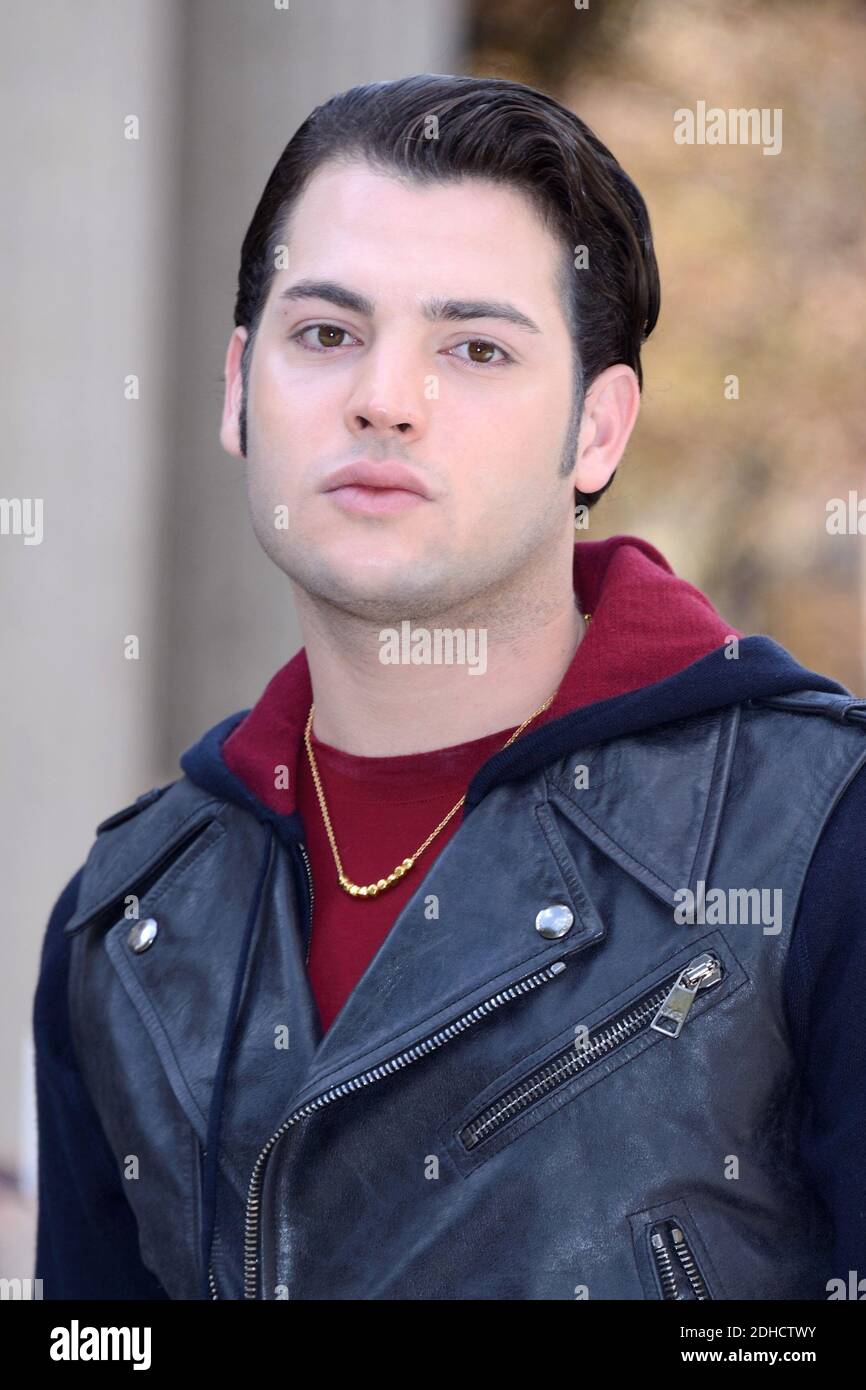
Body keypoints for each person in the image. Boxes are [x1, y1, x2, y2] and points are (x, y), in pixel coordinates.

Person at [34, 73, 866, 1301]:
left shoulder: (821, 835)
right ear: (235, 388)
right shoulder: (125, 918)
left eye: (473, 348)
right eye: (325, 333)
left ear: (595, 430)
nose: (383, 397)